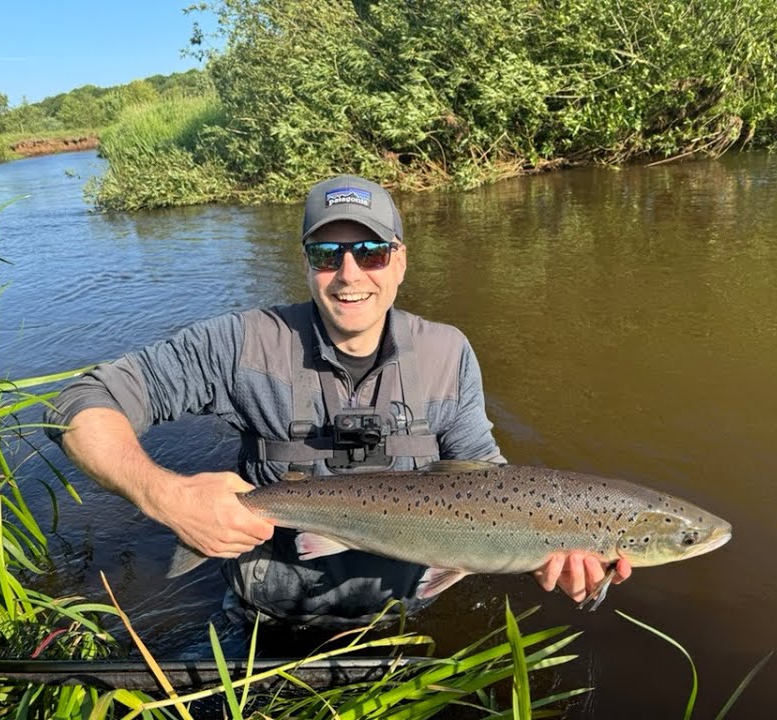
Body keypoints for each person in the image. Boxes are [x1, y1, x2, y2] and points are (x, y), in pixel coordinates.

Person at [43, 174, 631, 649]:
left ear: (400, 261)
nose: (350, 274)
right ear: (306, 263)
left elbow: (484, 474)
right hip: (269, 615)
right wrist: (164, 496)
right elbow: (81, 401)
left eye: (371, 251)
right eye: (328, 252)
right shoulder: (244, 344)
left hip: (403, 617)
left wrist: (539, 547)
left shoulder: (447, 352)